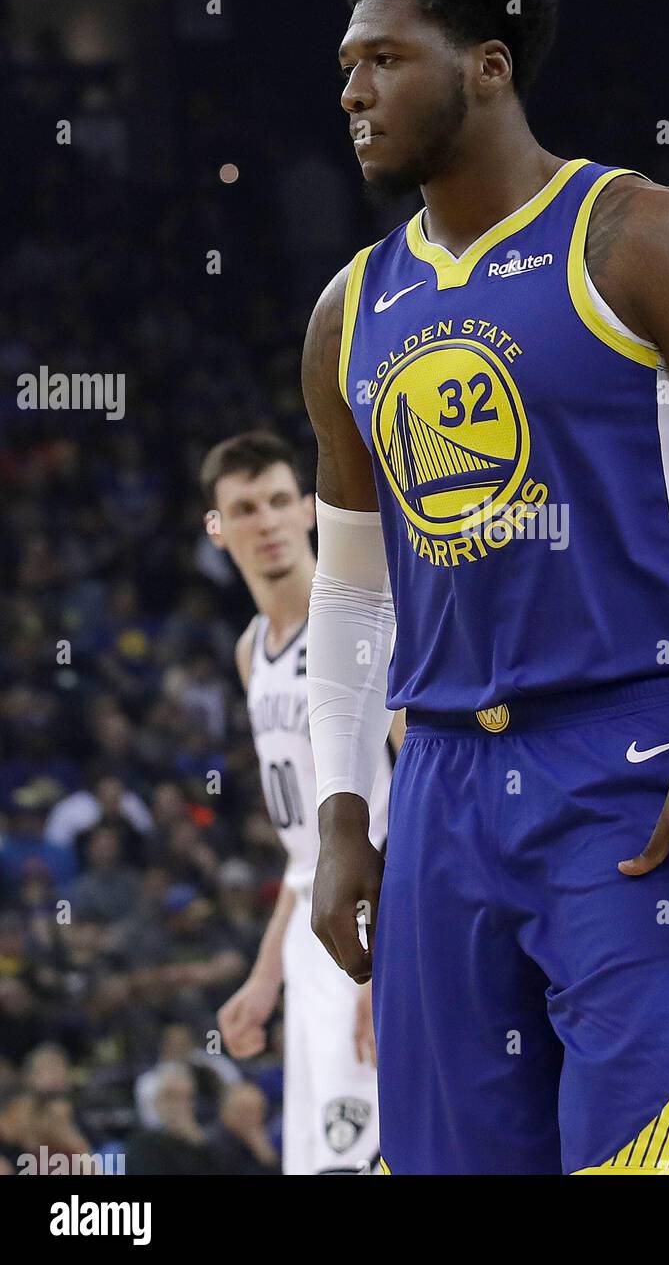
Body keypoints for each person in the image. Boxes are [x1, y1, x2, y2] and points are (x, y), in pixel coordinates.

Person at [303, 0, 669, 1175]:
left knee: (657, 1159)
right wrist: (346, 813)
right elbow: (349, 594)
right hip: (441, 782)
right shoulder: (351, 309)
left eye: (384, 58)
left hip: (635, 764)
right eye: (346, 63)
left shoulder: (642, 237)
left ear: (487, 67)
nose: (351, 88)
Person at [201, 431, 395, 1174]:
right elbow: (303, 854)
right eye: (243, 509)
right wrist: (265, 972)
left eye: (282, 501)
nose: (268, 522)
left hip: (377, 926)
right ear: (217, 530)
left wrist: (392, 965)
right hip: (315, 936)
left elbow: (423, 784)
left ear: (311, 509)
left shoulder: (363, 624)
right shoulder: (253, 648)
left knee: (373, 1155)